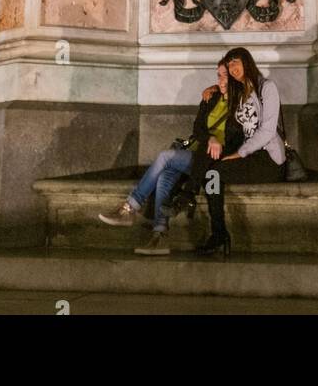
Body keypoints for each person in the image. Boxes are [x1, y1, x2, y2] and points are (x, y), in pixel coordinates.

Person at [98, 63, 242, 255]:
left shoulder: (242, 103)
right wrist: (210, 137)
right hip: (197, 154)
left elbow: (240, 137)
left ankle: (130, 207)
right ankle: (159, 236)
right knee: (166, 174)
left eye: (225, 76)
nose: (220, 80)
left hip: (214, 160)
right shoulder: (211, 97)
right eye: (218, 76)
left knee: (165, 157)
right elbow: (198, 129)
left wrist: (220, 145)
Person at [193, 46, 286, 257]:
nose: (233, 67)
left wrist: (241, 152)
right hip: (249, 157)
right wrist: (213, 88)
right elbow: (223, 88)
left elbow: (268, 130)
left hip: (268, 160)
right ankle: (219, 234)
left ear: (247, 62)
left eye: (236, 61)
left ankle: (218, 235)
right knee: (212, 174)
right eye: (229, 64)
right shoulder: (238, 92)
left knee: (213, 173)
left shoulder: (266, 87)